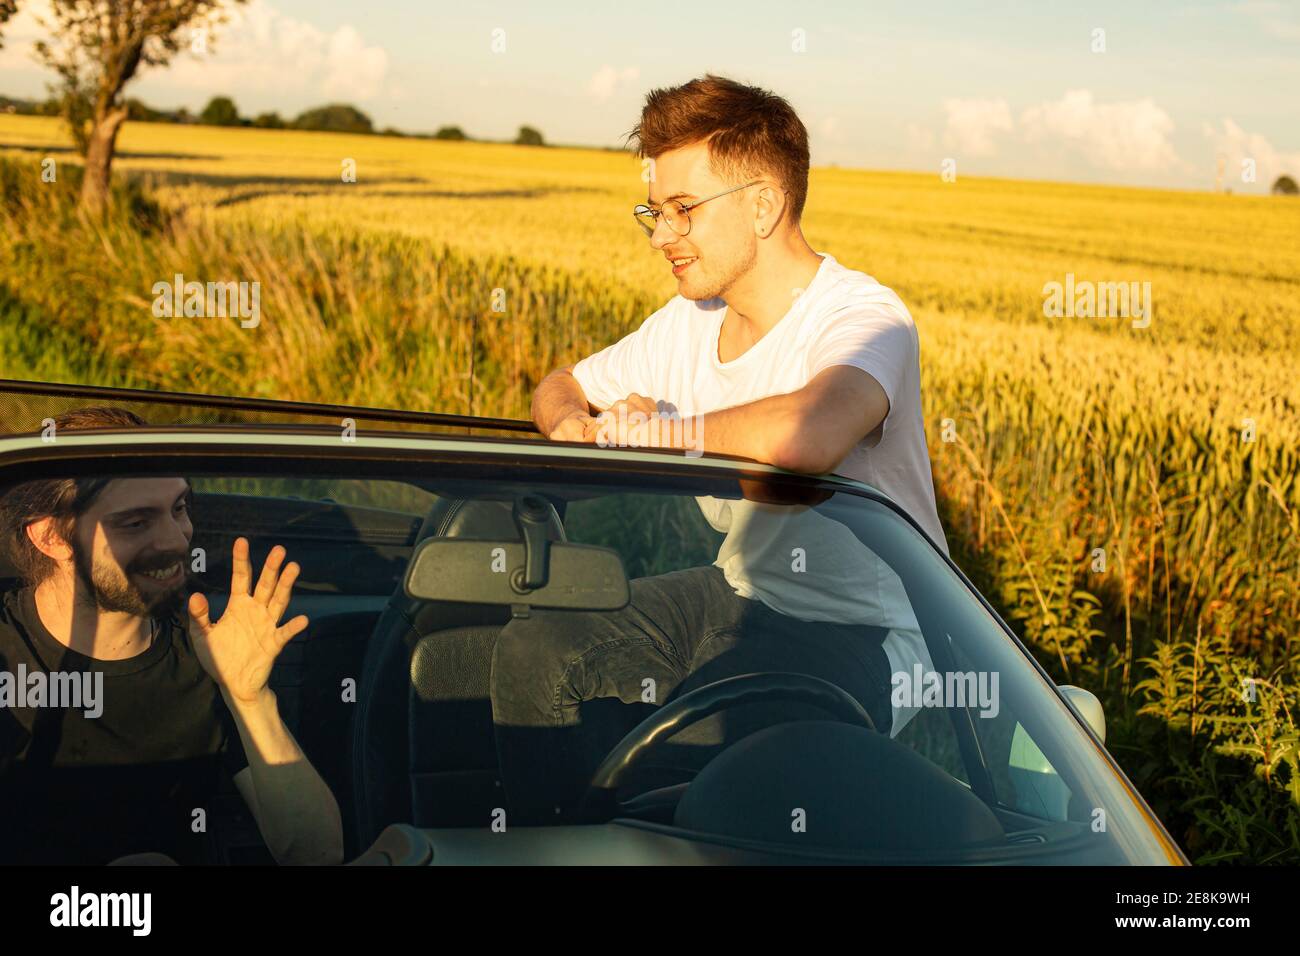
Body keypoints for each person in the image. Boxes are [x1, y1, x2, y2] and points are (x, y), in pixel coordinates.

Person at [491, 75, 949, 823]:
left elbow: (811, 434)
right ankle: (550, 842)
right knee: (534, 652)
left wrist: (653, 434)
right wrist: (576, 426)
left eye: (683, 211)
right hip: (739, 592)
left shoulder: (866, 319)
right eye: (653, 210)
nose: (659, 235)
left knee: (697, 768)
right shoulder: (688, 319)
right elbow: (560, 383)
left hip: (860, 635)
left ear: (763, 205)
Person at [0, 406, 344, 864]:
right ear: (51, 538)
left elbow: (316, 855)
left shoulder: (207, 650)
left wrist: (248, 698)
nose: (177, 539)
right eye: (136, 523)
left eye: (179, 508)